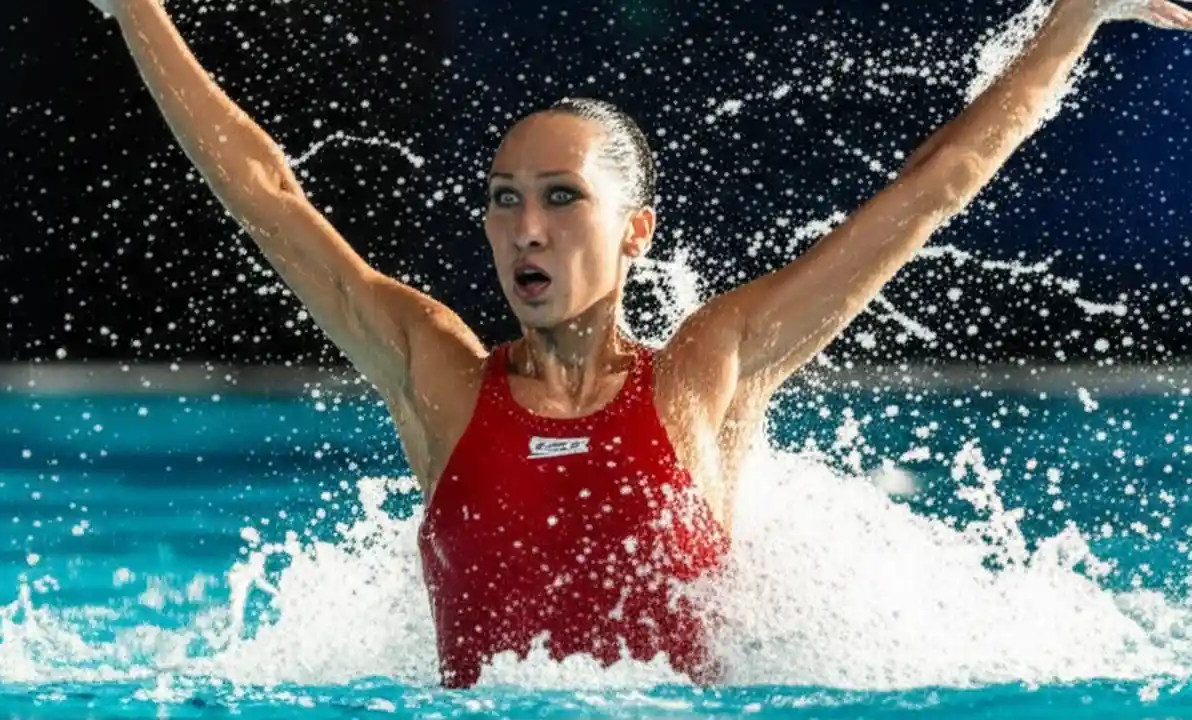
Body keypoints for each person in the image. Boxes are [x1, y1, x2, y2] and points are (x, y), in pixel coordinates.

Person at [85, 0, 1191, 688]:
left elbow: (925, 193)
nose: (525, 228)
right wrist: (137, 11)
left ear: (635, 233)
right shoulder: (440, 378)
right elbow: (266, 197)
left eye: (561, 197)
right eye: (504, 199)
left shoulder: (707, 373)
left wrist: (1073, 19)